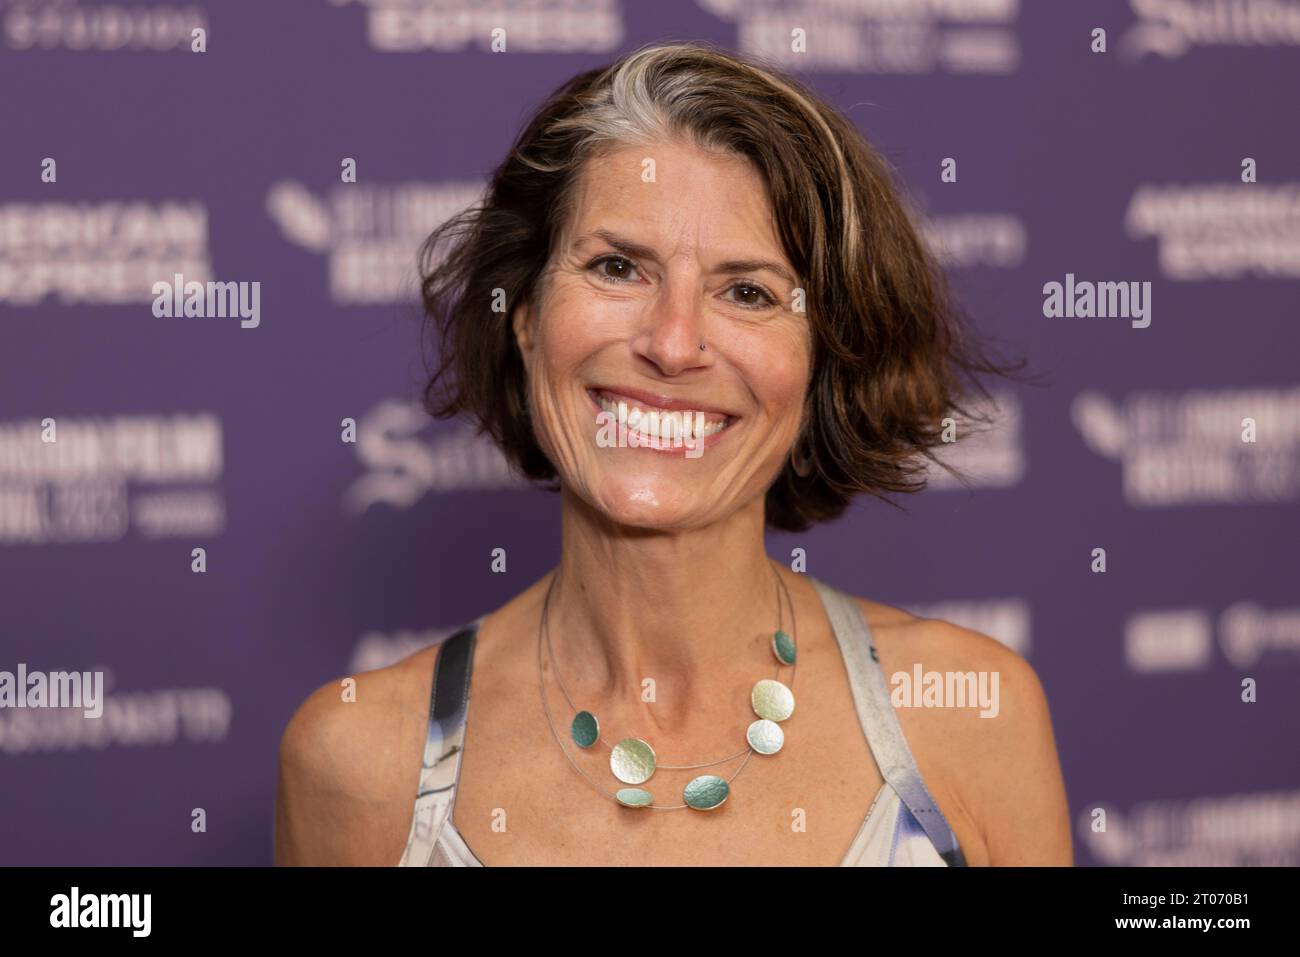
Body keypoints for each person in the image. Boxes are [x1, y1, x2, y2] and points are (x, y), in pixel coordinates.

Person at [275, 41, 1071, 867]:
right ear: (525, 318)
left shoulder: (972, 715)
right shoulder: (359, 758)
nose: (673, 342)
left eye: (748, 292)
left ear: (822, 365)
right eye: (617, 266)